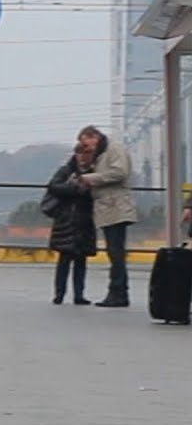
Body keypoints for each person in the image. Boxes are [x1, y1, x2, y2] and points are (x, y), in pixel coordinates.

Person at [77, 125, 137, 307]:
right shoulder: (101, 153)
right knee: (114, 251)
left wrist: (92, 178)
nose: (87, 149)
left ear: (94, 137)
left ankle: (118, 292)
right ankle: (118, 291)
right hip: (108, 207)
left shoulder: (114, 149)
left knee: (116, 251)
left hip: (116, 206)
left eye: (86, 144)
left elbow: (120, 172)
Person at [45, 143, 98, 305]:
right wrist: (75, 188)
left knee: (81, 260)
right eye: (80, 153)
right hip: (66, 220)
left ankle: (79, 294)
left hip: (84, 221)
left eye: (87, 153)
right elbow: (53, 187)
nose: (83, 157)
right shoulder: (66, 171)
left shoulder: (94, 173)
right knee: (64, 260)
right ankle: (59, 293)